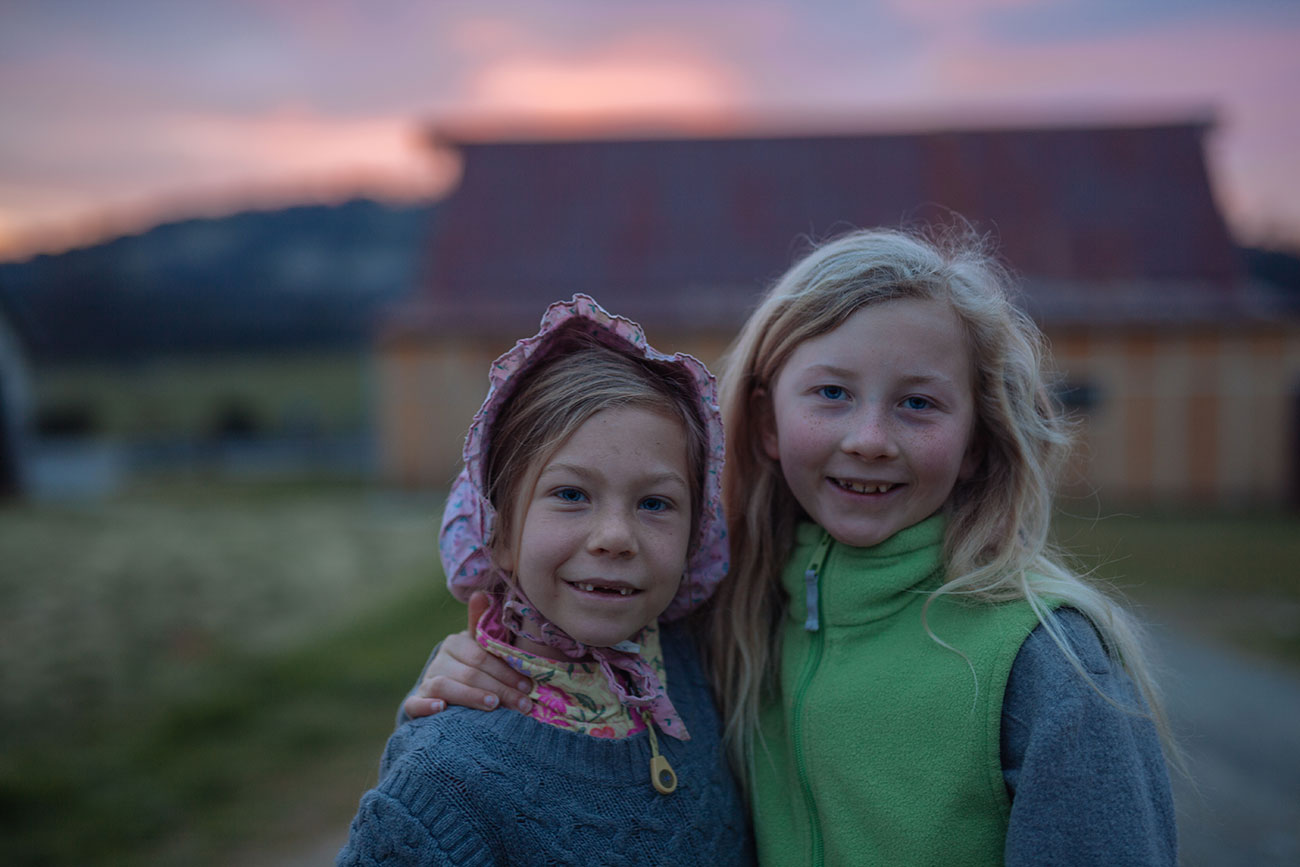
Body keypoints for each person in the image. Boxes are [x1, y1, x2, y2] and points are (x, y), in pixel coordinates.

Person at [405, 227, 1179, 865]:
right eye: (832, 393)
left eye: (918, 402)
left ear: (978, 439)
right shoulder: (724, 617)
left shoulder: (1049, 665)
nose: (870, 439)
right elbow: (580, 668)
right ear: (768, 422)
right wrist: (470, 669)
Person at [337, 295, 752, 866]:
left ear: (696, 536)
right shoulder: (446, 779)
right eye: (571, 495)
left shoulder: (701, 666)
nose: (615, 536)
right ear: (499, 533)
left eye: (655, 503)